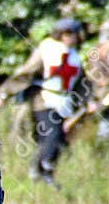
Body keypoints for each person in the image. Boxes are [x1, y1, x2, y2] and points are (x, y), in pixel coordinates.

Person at [10, 17, 83, 186]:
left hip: (63, 101)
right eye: (70, 34)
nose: (74, 38)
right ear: (62, 35)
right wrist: (6, 91)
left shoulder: (74, 56)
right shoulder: (47, 49)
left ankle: (42, 173)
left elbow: (79, 82)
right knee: (51, 135)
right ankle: (42, 170)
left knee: (57, 139)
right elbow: (28, 71)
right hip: (43, 99)